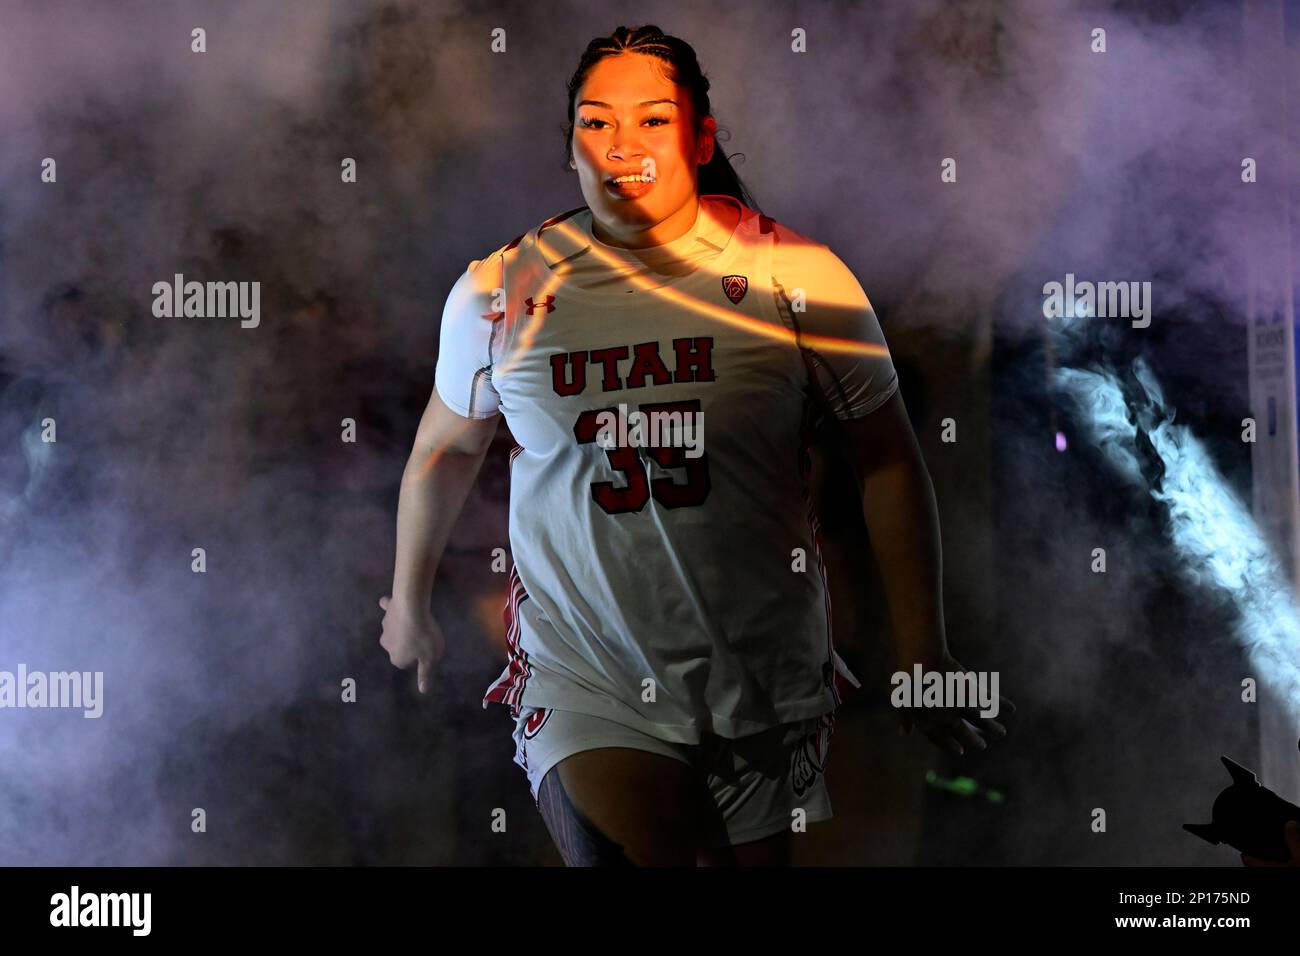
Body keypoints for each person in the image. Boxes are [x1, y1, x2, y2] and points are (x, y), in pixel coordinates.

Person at [379, 23, 1012, 866]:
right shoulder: (501, 290)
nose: (621, 144)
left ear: (702, 136)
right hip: (588, 675)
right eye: (596, 122)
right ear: (569, 145)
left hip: (765, 679)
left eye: (652, 120)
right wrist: (409, 601)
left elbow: (888, 456)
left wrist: (923, 648)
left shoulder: (796, 276)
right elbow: (444, 449)